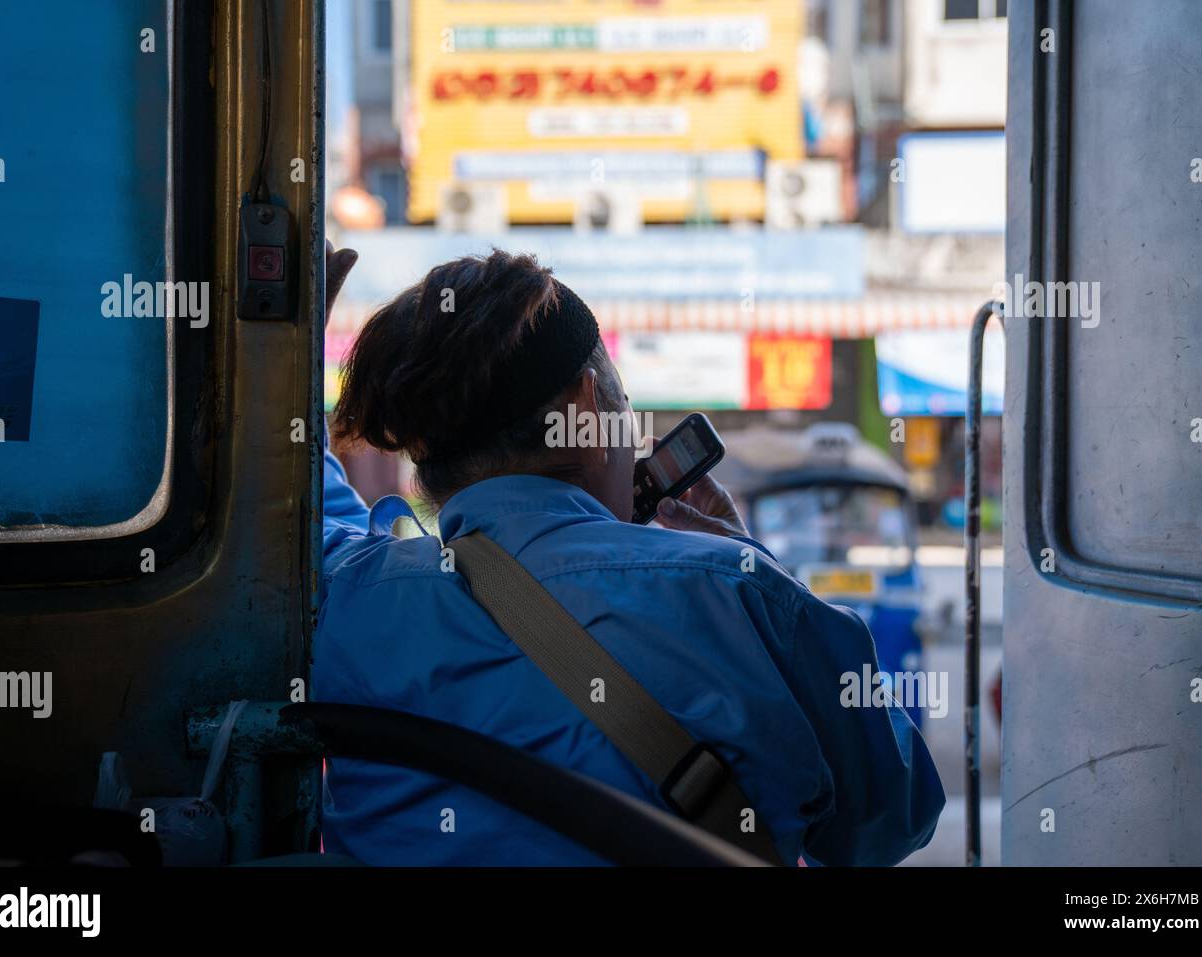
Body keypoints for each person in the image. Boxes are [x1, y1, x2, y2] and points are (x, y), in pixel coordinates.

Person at [315, 246, 944, 865]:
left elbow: (306, 510)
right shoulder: (737, 593)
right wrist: (748, 558)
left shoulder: (344, 595)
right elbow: (892, 819)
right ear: (589, 410)